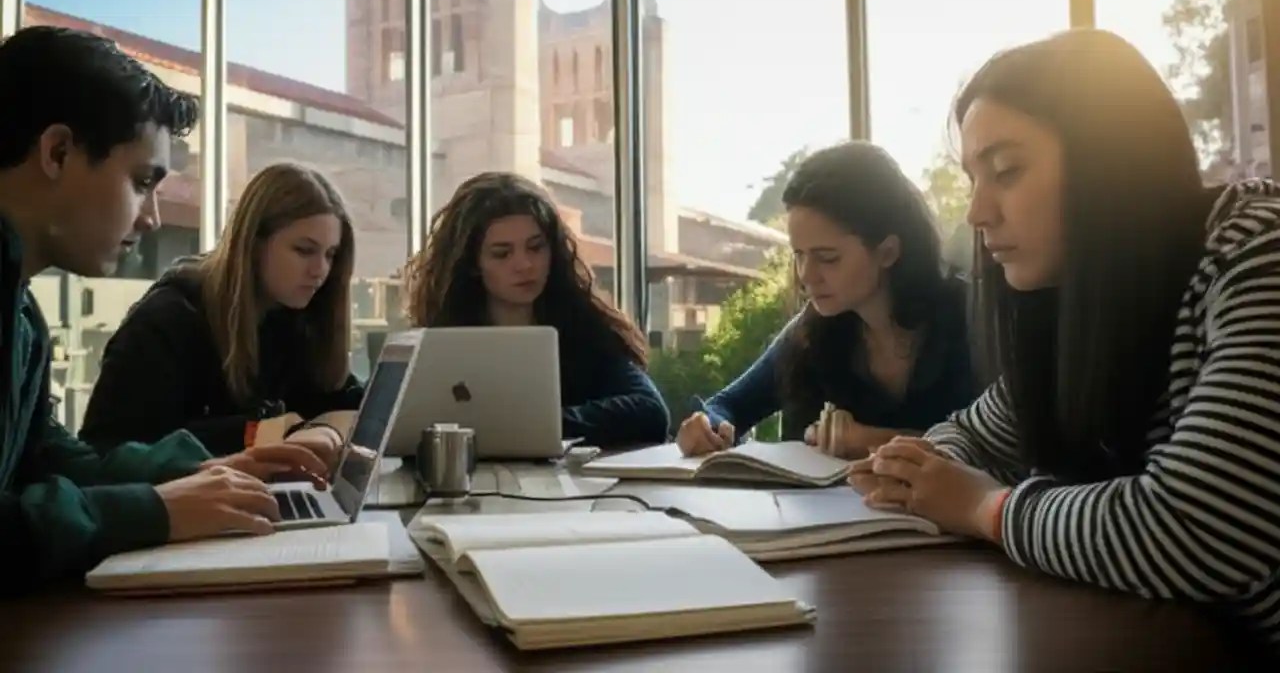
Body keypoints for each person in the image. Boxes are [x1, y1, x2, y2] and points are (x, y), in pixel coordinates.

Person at [850, 29, 1280, 657]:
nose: (976, 213)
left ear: (1112, 160)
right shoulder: (1077, 300)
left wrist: (985, 509)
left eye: (1006, 171)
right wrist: (923, 473)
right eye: (973, 178)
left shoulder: (1255, 259)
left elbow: (1200, 531)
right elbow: (965, 437)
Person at [0, 26, 326, 591]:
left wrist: (195, 474)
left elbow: (48, 458)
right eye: (141, 180)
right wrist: (155, 511)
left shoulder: (21, 311)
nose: (151, 217)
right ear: (57, 152)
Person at [675, 141, 975, 458]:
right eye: (799, 256)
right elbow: (728, 405)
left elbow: (1003, 451)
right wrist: (708, 427)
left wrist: (876, 440)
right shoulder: (814, 329)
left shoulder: (970, 319)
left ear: (888, 251)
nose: (806, 275)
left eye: (827, 258)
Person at [81, 162, 363, 470]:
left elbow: (342, 400)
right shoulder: (168, 320)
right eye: (304, 250)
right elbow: (105, 453)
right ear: (254, 244)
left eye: (330, 255)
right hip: (177, 511)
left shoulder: (293, 323)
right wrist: (258, 432)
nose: (321, 270)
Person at [403, 171, 669, 448]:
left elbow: (651, 411)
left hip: (566, 487)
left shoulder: (582, 328)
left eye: (535, 247)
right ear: (472, 264)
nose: (524, 265)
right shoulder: (441, 339)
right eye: (502, 253)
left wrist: (541, 427)